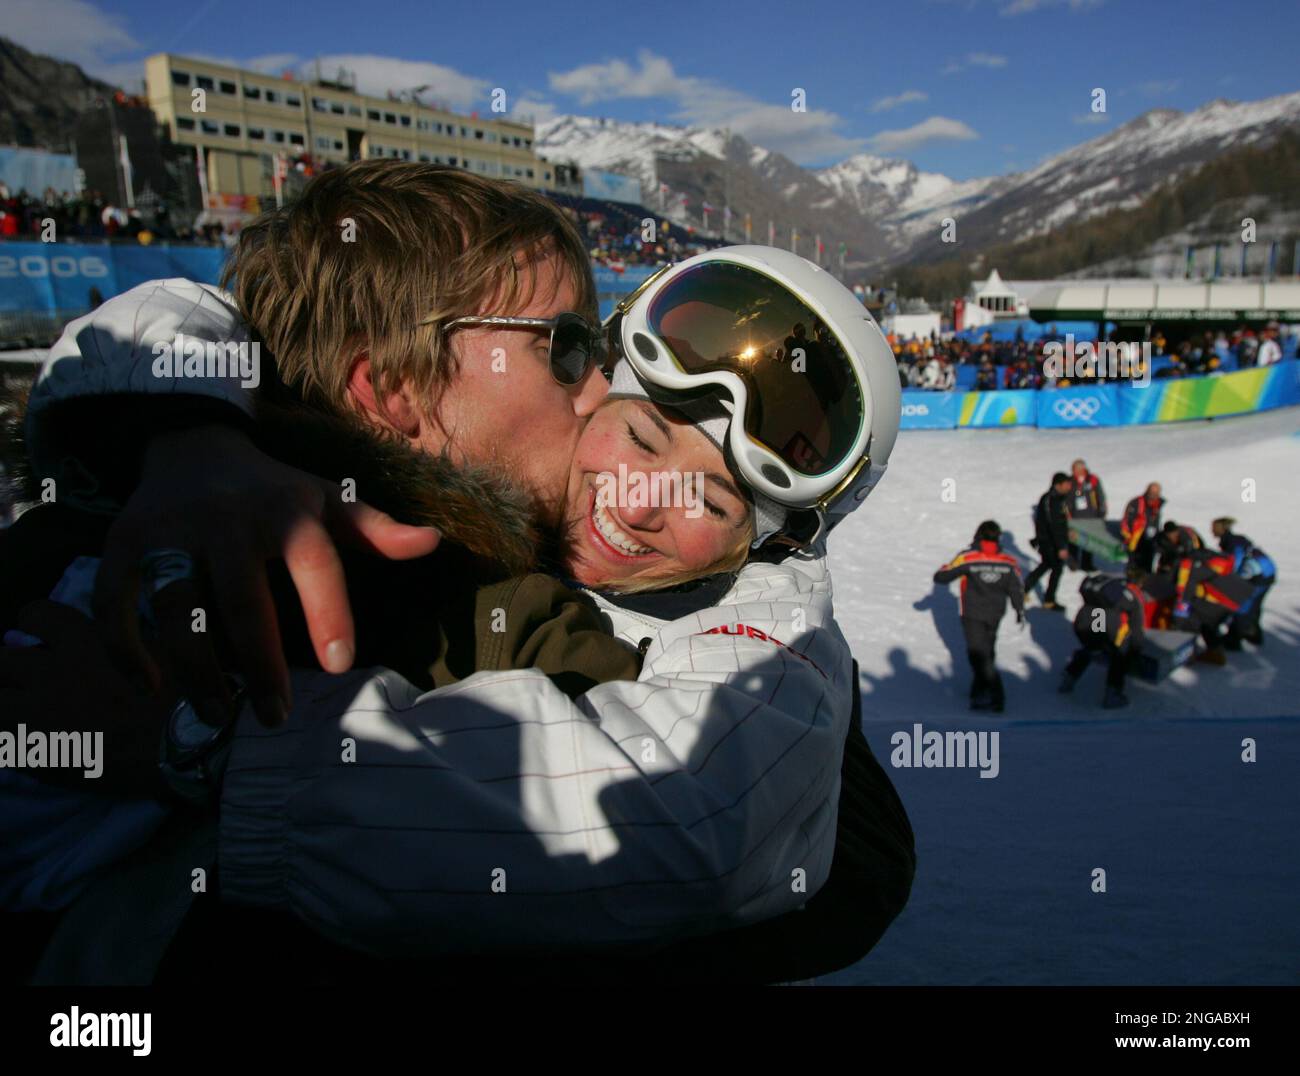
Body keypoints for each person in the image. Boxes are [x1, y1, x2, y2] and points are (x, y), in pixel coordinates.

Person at [3, 172, 912, 982]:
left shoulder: (443, 548)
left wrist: (181, 429)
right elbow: (682, 832)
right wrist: (209, 743)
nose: (599, 384)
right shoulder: (212, 578)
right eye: (563, 348)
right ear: (394, 390)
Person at [933, 520, 1024, 712]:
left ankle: (996, 696)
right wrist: (1019, 610)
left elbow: (941, 577)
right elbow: (1016, 588)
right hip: (995, 614)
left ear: (979, 535)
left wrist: (944, 568)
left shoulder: (969, 558)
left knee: (978, 655)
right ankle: (978, 692)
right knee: (987, 653)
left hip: (973, 613)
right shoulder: (1008, 561)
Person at [1058, 570, 1148, 709]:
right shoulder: (1134, 595)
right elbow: (1137, 627)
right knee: (1120, 654)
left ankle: (1069, 678)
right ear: (1141, 584)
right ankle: (1112, 695)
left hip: (1083, 619)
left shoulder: (1114, 585)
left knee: (1092, 647)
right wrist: (1136, 650)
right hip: (1101, 622)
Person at [1211, 517, 1275, 648]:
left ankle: (1234, 640)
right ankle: (1254, 635)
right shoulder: (1237, 539)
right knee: (1255, 605)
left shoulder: (1231, 542)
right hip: (1268, 570)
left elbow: (1236, 560)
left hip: (1258, 575)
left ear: (1221, 529)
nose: (1211, 530)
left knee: (1243, 606)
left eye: (1213, 527)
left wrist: (1228, 577)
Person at [1025, 472, 1074, 610]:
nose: (1069, 486)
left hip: (1051, 541)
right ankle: (1049, 600)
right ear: (1058, 485)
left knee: (1046, 565)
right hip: (1050, 542)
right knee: (1056, 569)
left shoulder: (1059, 498)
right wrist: (1061, 547)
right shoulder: (1052, 500)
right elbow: (1054, 525)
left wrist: (1068, 532)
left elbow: (1061, 522)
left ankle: (1024, 589)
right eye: (1066, 483)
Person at [1067, 458, 1106, 571]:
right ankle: (1073, 562)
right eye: (1073, 469)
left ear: (1082, 469)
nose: (1074, 472)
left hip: (1091, 516)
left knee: (1089, 542)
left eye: (1075, 469)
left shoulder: (1093, 480)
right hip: (1074, 517)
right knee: (1073, 540)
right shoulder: (1070, 481)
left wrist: (1101, 511)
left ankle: (1086, 564)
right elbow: (1065, 500)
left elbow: (1100, 496)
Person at [1121, 483, 1164, 573]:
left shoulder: (1157, 506)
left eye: (1156, 494)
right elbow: (1126, 522)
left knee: (1148, 568)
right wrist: (1128, 537)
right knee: (1134, 567)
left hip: (1150, 542)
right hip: (1135, 541)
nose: (1153, 496)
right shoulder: (1136, 503)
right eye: (1151, 493)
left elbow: (1156, 524)